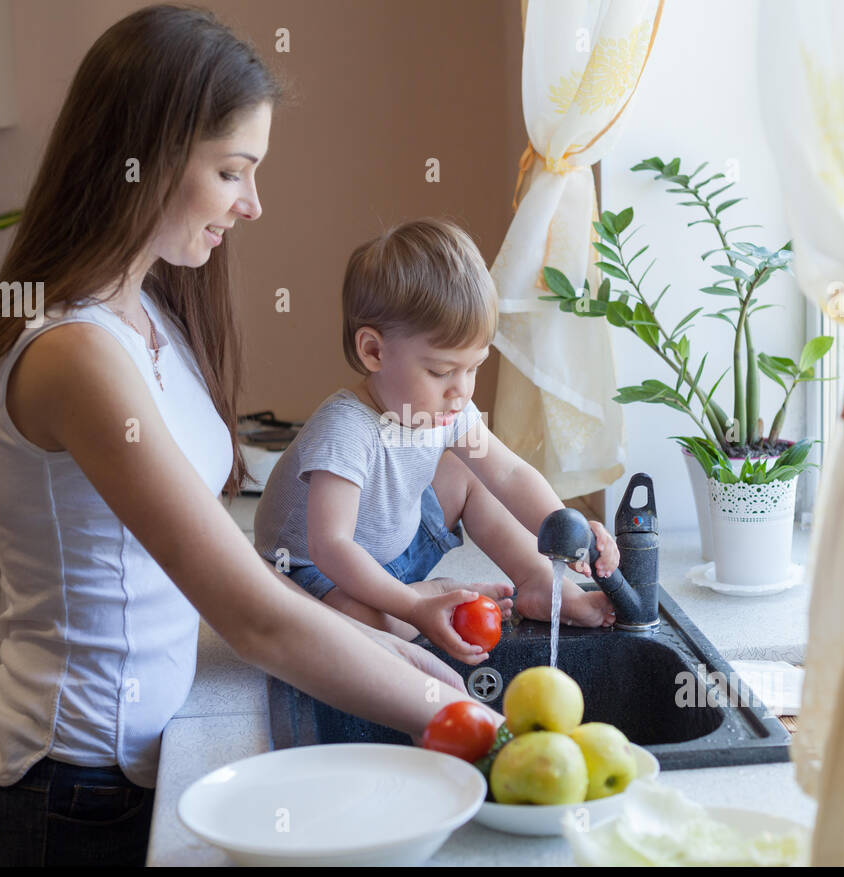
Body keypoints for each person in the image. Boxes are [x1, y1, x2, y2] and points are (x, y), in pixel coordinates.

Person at [0, 4, 493, 868]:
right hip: (57, 802)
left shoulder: (148, 314)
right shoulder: (76, 355)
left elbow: (206, 576)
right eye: (233, 171)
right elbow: (251, 616)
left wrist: (390, 641)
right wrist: (448, 711)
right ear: (146, 160)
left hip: (118, 781)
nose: (253, 205)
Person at [254, 218, 621, 668]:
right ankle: (428, 598)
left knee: (472, 472)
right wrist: (414, 608)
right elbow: (330, 545)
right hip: (317, 574)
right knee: (353, 633)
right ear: (374, 352)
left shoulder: (448, 407)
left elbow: (509, 474)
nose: (461, 389)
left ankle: (536, 580)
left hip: (396, 544)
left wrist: (567, 526)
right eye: (442, 370)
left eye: (474, 367)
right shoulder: (345, 429)